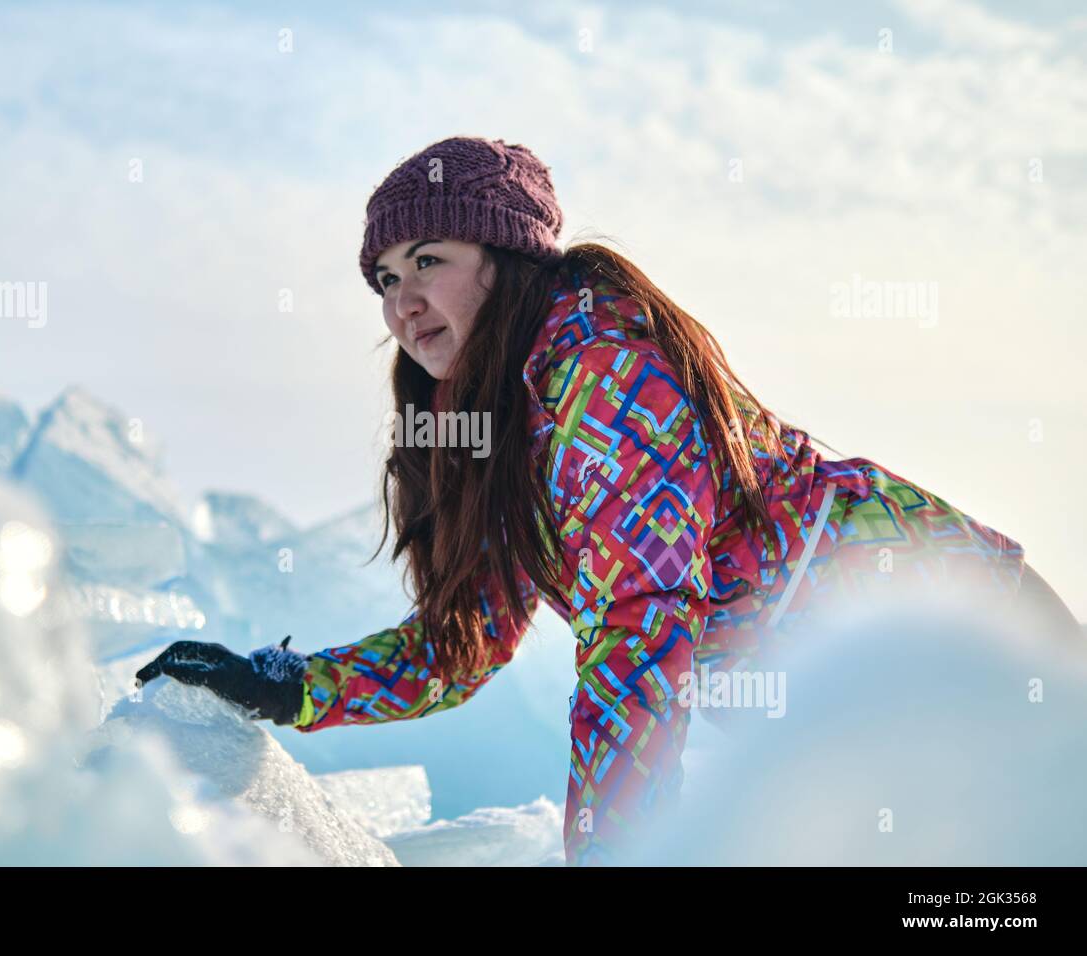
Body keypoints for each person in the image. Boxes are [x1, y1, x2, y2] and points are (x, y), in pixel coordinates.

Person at [136, 135, 1080, 867]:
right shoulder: (494, 425)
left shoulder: (604, 361)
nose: (401, 303)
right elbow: (454, 647)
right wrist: (286, 684)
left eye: (428, 260)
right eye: (385, 280)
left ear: (503, 256)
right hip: (845, 709)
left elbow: (641, 621)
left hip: (947, 629)